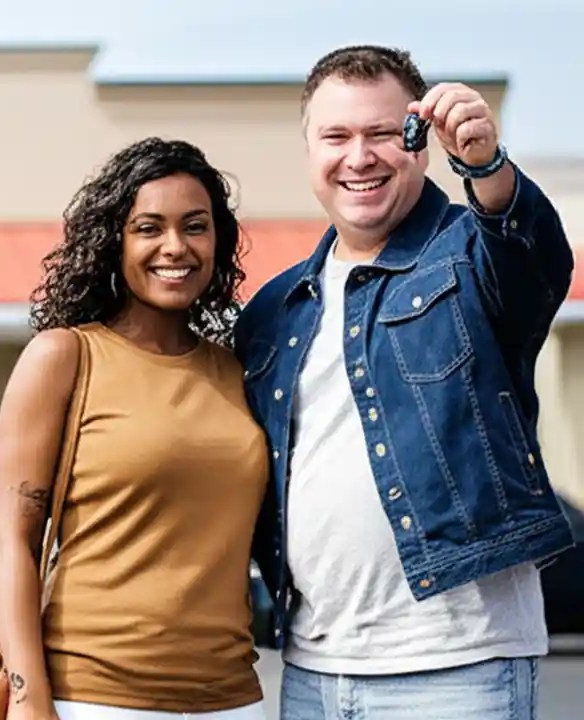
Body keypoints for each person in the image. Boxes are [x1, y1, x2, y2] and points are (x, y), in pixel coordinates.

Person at [233, 45, 578, 720]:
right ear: (309, 152)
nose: (358, 156)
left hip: (458, 669)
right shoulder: (275, 312)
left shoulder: (469, 256)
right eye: (336, 136)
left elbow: (533, 256)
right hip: (312, 673)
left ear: (419, 144)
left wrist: (486, 166)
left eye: (383, 133)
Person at [0, 136, 270, 720]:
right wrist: (27, 696)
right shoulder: (65, 358)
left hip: (231, 700)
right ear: (114, 241)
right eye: (149, 227)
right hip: (92, 697)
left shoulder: (238, 370)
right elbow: (13, 541)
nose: (176, 247)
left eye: (195, 226)